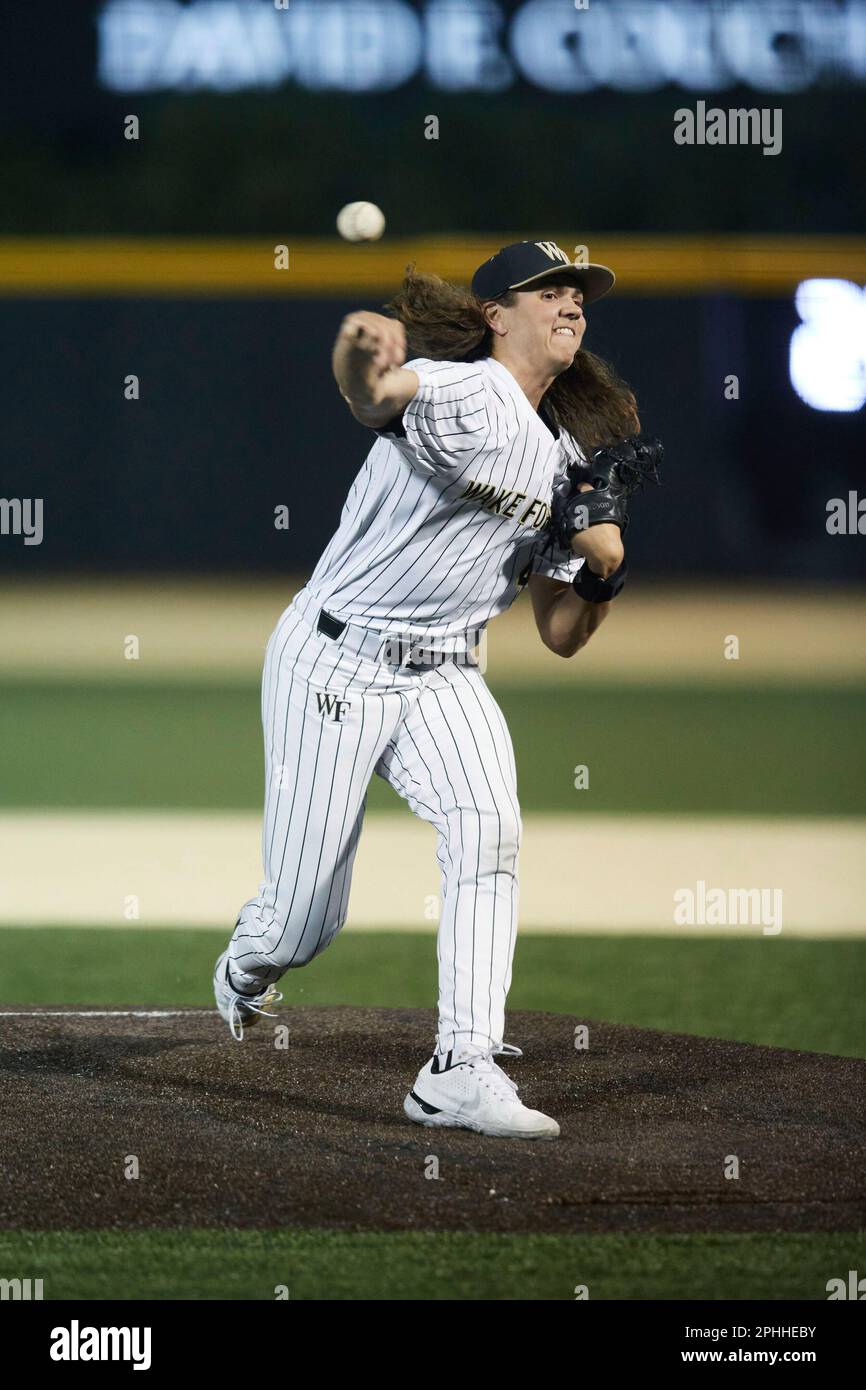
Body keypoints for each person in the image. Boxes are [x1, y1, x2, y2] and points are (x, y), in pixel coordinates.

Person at [214, 240, 640, 1139]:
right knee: (301, 924)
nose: (571, 302)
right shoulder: (463, 389)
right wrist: (358, 353)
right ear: (496, 316)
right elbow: (374, 395)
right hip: (334, 660)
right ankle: (250, 963)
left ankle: (461, 1066)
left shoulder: (567, 458)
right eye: (549, 290)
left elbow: (560, 636)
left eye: (580, 293)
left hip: (447, 674)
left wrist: (602, 573)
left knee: (489, 833)